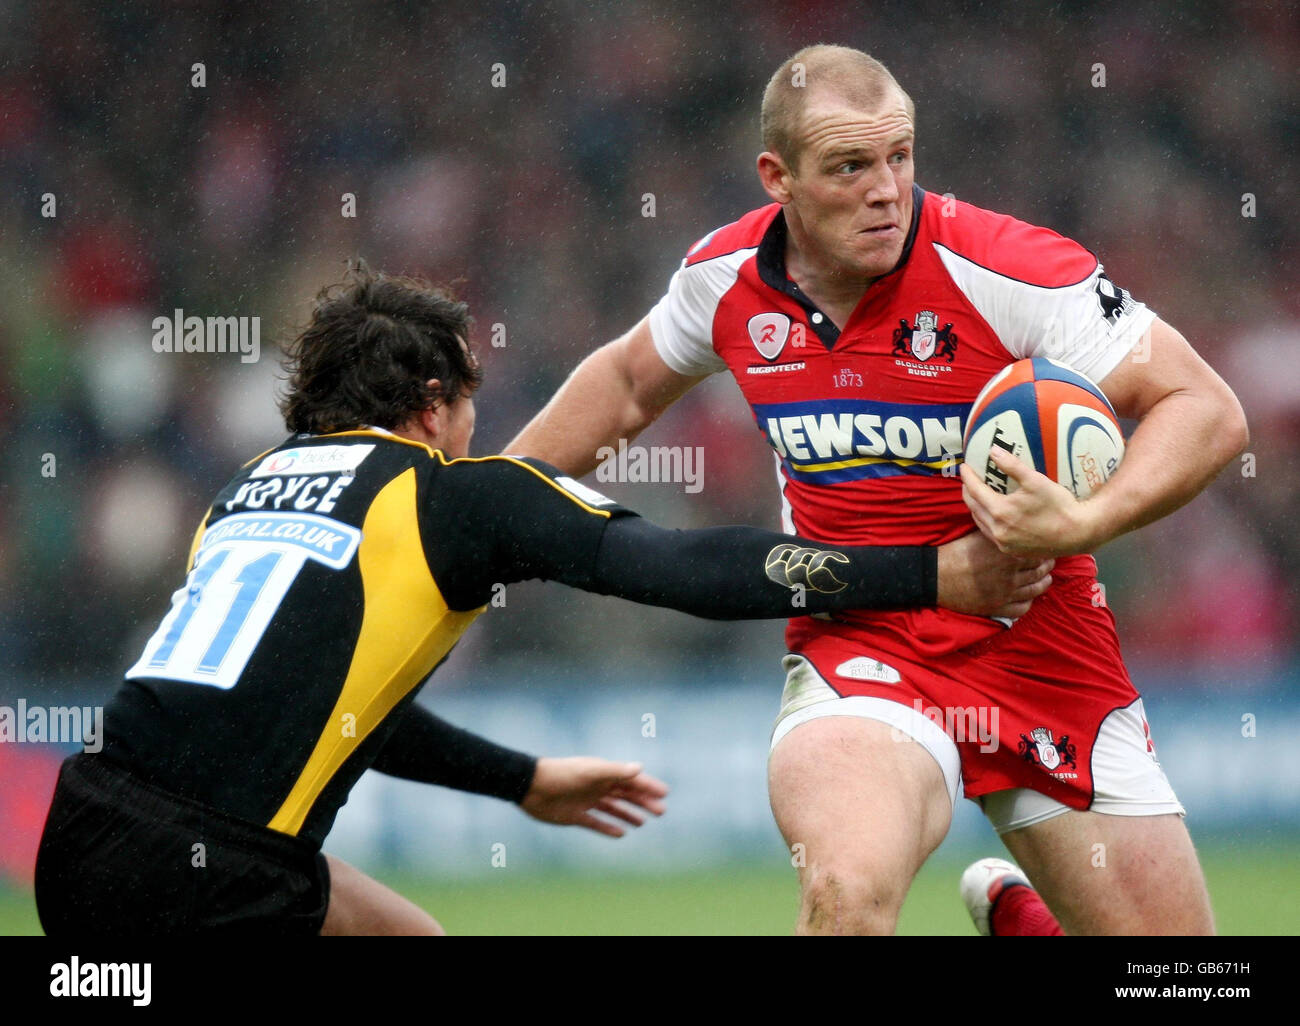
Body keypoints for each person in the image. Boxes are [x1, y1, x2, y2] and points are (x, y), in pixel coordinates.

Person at [34, 263, 1049, 936]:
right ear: (436, 405)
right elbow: (687, 572)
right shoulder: (450, 495)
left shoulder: (246, 490)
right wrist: (935, 573)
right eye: (470, 405)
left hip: (80, 835)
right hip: (209, 882)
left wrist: (520, 780)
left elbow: (330, 702)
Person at [506, 45, 1249, 935]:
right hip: (863, 648)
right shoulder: (726, 279)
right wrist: (483, 503)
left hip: (1045, 649)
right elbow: (627, 386)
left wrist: (1087, 517)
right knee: (846, 898)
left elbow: (1205, 408)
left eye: (899, 157)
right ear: (776, 178)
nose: (886, 190)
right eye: (850, 166)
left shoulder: (1006, 268)